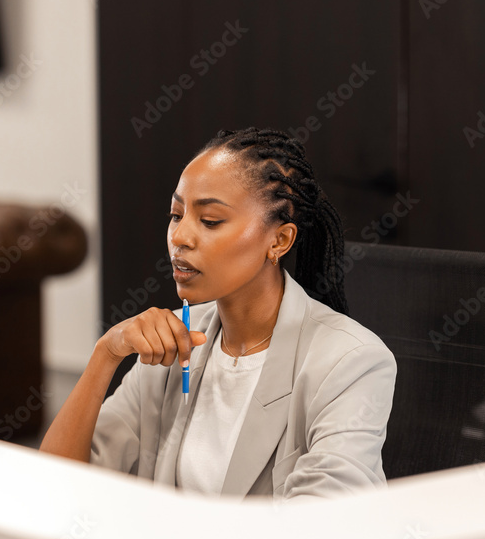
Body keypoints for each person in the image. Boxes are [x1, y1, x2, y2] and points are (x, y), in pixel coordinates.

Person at [40, 127, 396, 501]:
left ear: (279, 240)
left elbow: (320, 527)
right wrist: (106, 353)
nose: (180, 237)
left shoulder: (351, 361)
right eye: (176, 215)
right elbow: (57, 486)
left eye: (209, 220)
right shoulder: (172, 341)